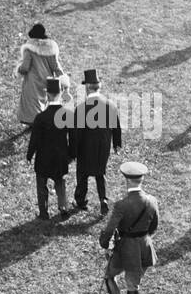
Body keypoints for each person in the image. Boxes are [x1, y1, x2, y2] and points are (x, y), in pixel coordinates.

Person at [99, 160, 160, 294]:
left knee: (109, 276)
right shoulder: (152, 201)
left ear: (127, 180)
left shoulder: (121, 204)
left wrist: (105, 244)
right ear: (141, 180)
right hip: (143, 248)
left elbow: (110, 229)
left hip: (124, 248)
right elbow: (154, 226)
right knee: (134, 284)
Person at [68, 68, 121, 214]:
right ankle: (103, 198)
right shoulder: (110, 105)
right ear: (99, 87)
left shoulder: (81, 108)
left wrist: (73, 152)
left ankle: (80, 200)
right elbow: (116, 126)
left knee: (82, 174)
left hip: (85, 149)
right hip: (103, 147)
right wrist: (117, 144)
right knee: (100, 173)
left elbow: (75, 134)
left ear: (87, 88)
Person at [27, 77, 72, 221]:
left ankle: (43, 212)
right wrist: (71, 154)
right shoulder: (67, 115)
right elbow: (73, 136)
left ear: (47, 95)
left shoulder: (41, 117)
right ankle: (63, 207)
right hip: (60, 156)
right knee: (60, 182)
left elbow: (34, 140)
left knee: (42, 184)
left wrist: (29, 155)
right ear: (60, 94)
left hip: (44, 157)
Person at [14, 23, 65, 128]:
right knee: (45, 101)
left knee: (32, 104)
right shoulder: (51, 48)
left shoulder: (29, 49)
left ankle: (34, 124)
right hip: (47, 81)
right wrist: (63, 79)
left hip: (32, 81)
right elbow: (56, 66)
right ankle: (42, 122)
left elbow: (25, 67)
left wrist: (18, 69)